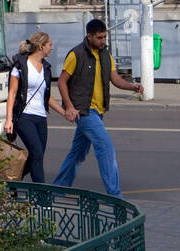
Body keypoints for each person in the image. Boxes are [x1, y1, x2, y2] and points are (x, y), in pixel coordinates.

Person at [53, 19, 142, 198]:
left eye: (104, 37)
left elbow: (115, 79)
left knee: (77, 153)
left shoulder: (105, 54)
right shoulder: (76, 54)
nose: (103, 41)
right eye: (99, 38)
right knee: (105, 147)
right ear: (89, 36)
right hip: (83, 111)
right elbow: (62, 81)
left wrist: (132, 86)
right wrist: (69, 107)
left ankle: (58, 190)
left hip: (98, 111)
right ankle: (115, 196)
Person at [3, 31, 67, 182]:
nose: (52, 48)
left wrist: (64, 113)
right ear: (41, 46)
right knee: (37, 153)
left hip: (41, 118)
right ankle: (42, 197)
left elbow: (47, 97)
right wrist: (8, 120)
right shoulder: (20, 65)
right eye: (50, 45)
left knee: (36, 156)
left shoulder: (46, 67)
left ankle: (12, 180)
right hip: (24, 116)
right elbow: (11, 94)